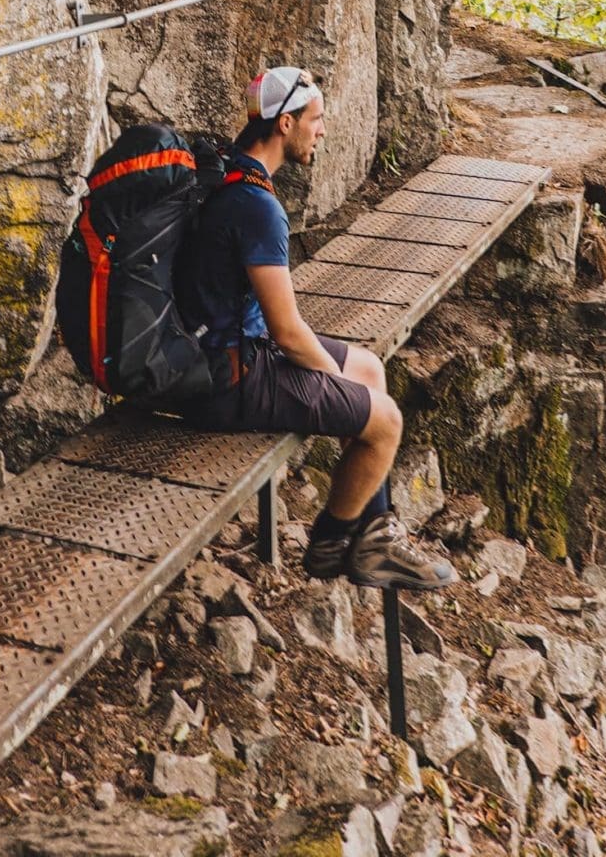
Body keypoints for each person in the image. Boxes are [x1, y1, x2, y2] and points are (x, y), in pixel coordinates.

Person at [177, 64, 456, 591]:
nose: (323, 129)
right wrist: (335, 384)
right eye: (316, 118)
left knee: (371, 367)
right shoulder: (257, 207)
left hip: (214, 354)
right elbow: (287, 332)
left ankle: (369, 538)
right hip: (230, 378)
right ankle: (333, 544)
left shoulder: (230, 173)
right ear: (285, 124)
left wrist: (345, 381)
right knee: (386, 422)